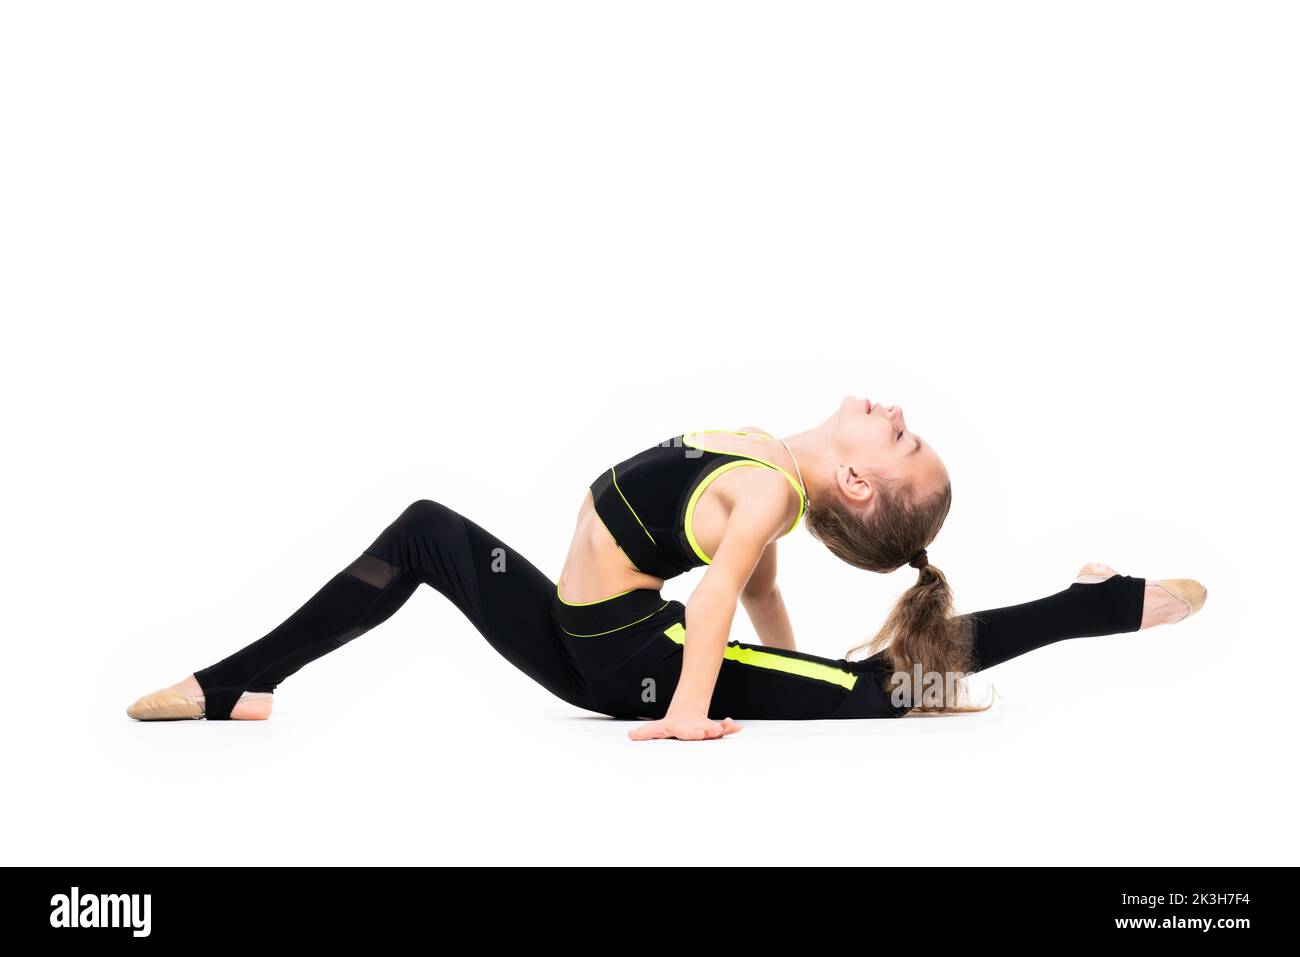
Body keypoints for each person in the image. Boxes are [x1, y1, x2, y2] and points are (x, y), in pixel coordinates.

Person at [126, 396, 1206, 740]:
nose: (896, 417)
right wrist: (792, 664)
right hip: (574, 637)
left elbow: (718, 596)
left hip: (628, 666)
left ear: (863, 488)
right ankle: (239, 683)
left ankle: (1092, 607)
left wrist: (691, 711)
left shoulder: (771, 493)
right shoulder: (762, 462)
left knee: (879, 693)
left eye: (903, 440)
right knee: (420, 528)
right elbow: (760, 588)